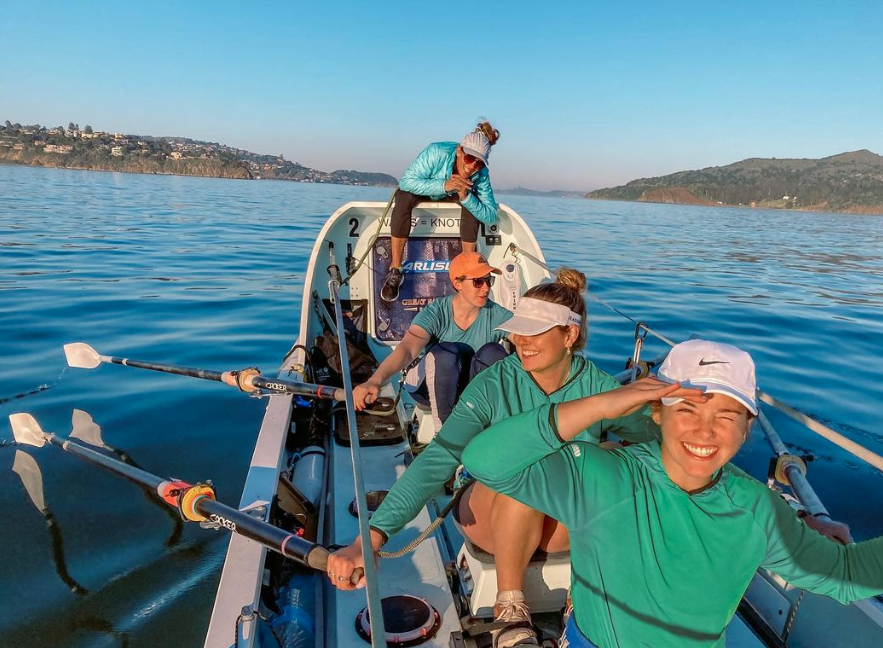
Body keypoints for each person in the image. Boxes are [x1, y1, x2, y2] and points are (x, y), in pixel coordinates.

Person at [462, 339, 883, 648]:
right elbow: (486, 459)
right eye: (687, 409)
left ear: (746, 427)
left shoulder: (760, 509)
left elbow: (846, 576)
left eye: (726, 415)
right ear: (656, 412)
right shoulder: (602, 473)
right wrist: (602, 404)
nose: (705, 431)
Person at [329, 268, 660, 648]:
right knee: (526, 472)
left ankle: (584, 594)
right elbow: (440, 457)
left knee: (616, 460)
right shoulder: (495, 383)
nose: (520, 340)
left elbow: (655, 448)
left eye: (535, 331)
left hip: (563, 523)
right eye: (519, 329)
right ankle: (510, 609)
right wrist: (370, 539)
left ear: (570, 335)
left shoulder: (599, 387)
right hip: (489, 509)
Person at [354, 251, 511, 432]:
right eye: (478, 281)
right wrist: (375, 380)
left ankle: (490, 427)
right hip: (428, 387)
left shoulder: (496, 313)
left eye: (488, 280)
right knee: (446, 353)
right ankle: (443, 435)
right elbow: (407, 349)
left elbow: (527, 341)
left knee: (495, 353)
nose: (485, 288)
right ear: (457, 283)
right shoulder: (437, 311)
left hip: (469, 389)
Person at [381, 121, 500, 302]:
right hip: (428, 188)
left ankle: (466, 272)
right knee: (403, 197)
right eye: (469, 158)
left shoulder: (480, 174)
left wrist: (466, 197)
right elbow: (406, 182)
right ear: (460, 151)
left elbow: (491, 216)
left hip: (455, 194)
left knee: (472, 206)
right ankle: (395, 269)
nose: (472, 167)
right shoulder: (437, 152)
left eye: (479, 164)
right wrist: (445, 185)